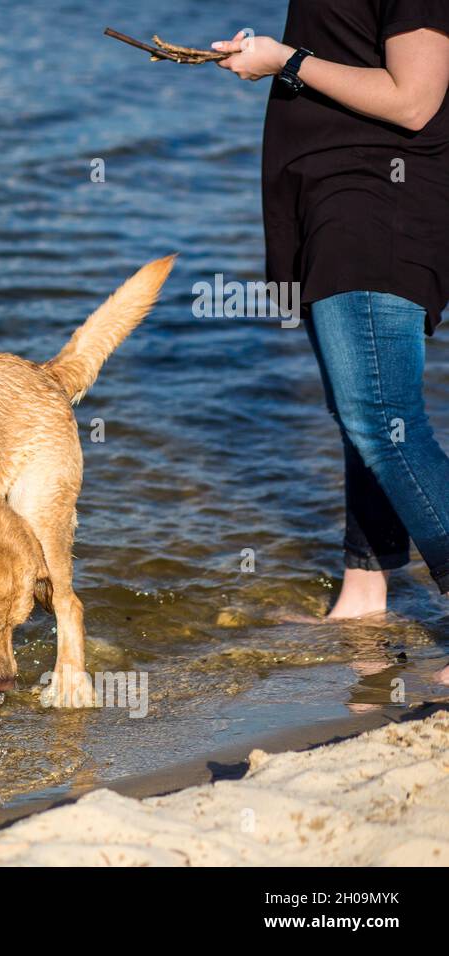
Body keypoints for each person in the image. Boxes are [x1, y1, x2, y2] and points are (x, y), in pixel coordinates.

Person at [209, 5, 449, 668]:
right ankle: (365, 596)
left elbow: (415, 99)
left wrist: (284, 60)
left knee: (380, 414)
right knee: (361, 414)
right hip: (330, 203)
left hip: (376, 206)